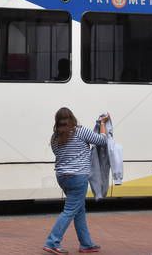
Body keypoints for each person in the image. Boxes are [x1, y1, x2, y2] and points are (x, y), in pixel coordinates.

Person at [43, 108, 109, 255]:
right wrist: (103, 124)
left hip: (62, 177)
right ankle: (52, 242)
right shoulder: (79, 131)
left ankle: (86, 244)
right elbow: (102, 141)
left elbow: (57, 153)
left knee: (79, 210)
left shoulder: (55, 137)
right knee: (69, 211)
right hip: (78, 177)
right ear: (72, 118)